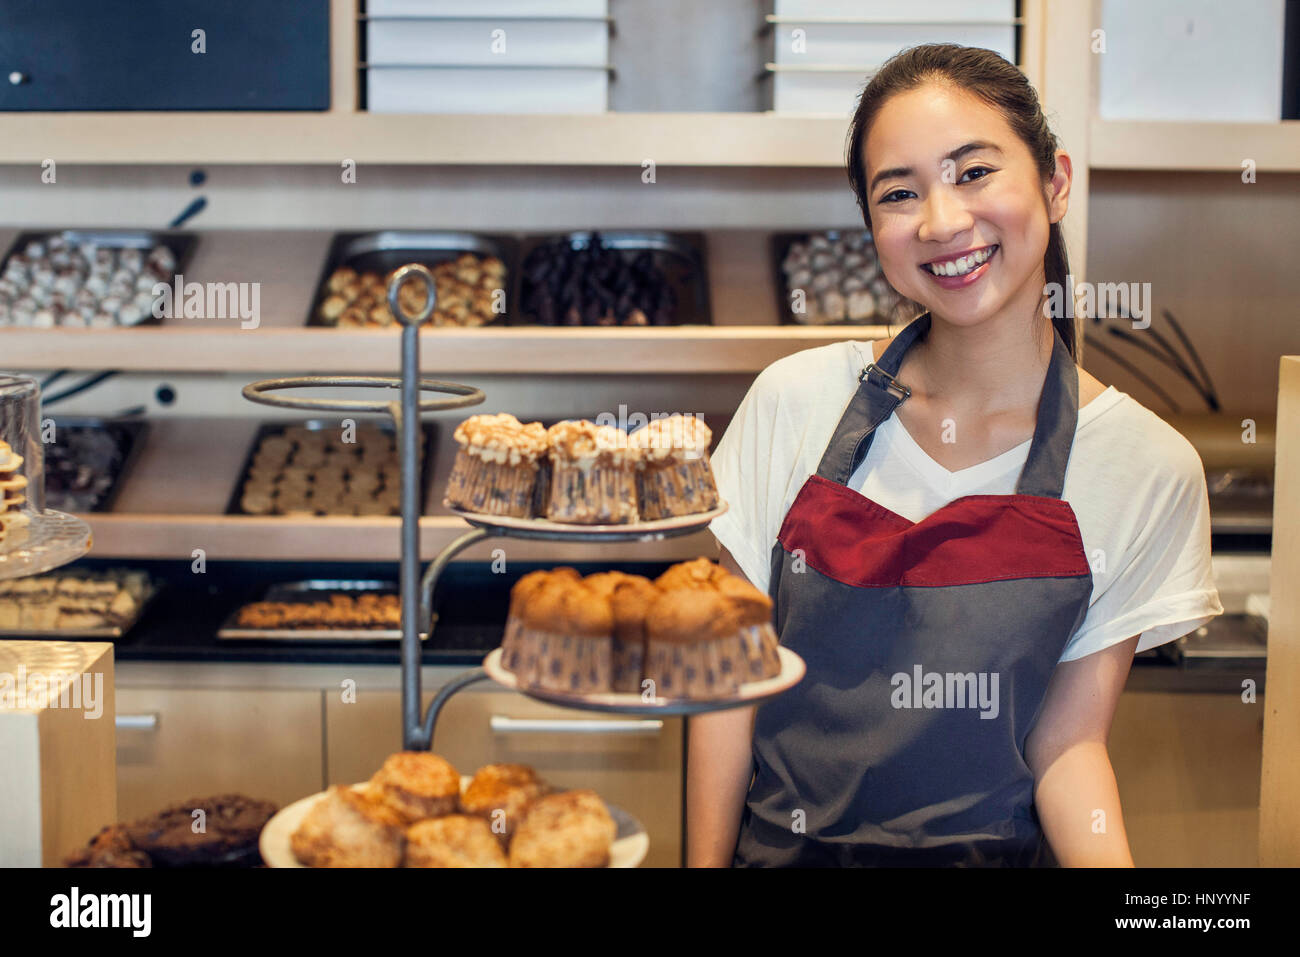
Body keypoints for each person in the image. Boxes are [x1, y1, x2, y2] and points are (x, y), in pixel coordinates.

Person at [691, 44, 1224, 867]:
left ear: (1055, 182)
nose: (941, 221)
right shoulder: (795, 401)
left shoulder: (1145, 464)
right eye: (899, 192)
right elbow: (725, 683)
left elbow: (1068, 746)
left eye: (973, 172)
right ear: (873, 227)